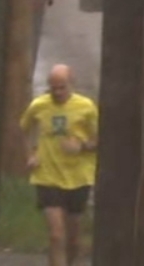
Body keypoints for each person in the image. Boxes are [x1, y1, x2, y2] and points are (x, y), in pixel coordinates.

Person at [19, 64, 98, 266]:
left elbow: (99, 140)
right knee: (56, 235)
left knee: (73, 238)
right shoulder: (39, 105)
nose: (58, 92)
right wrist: (30, 154)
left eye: (62, 87)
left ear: (72, 85)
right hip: (47, 175)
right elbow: (24, 129)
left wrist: (81, 146)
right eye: (53, 88)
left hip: (78, 177)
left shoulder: (86, 107)